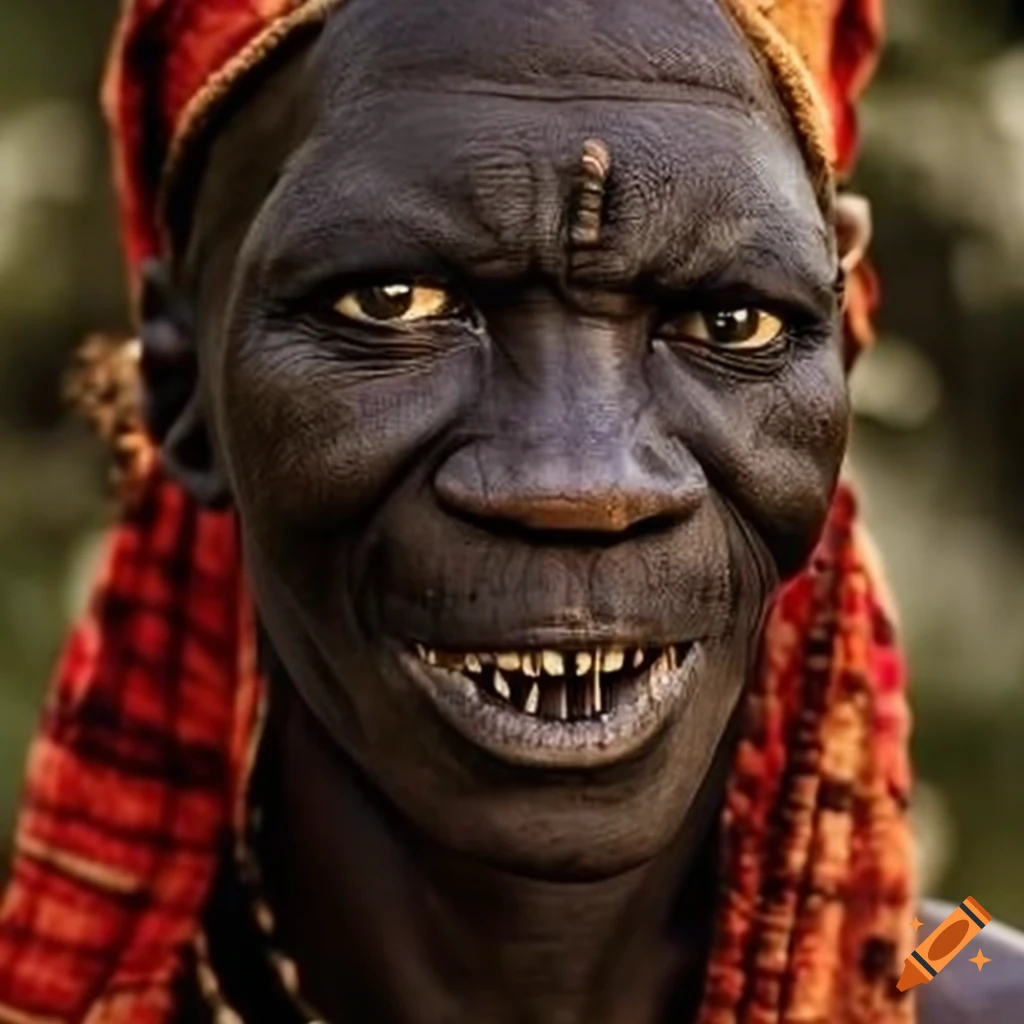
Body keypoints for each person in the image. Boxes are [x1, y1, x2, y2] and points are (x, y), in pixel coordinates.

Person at [0, 0, 1021, 1021]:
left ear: (838, 345)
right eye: (391, 302)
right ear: (180, 385)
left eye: (728, 318)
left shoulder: (971, 984)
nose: (582, 486)